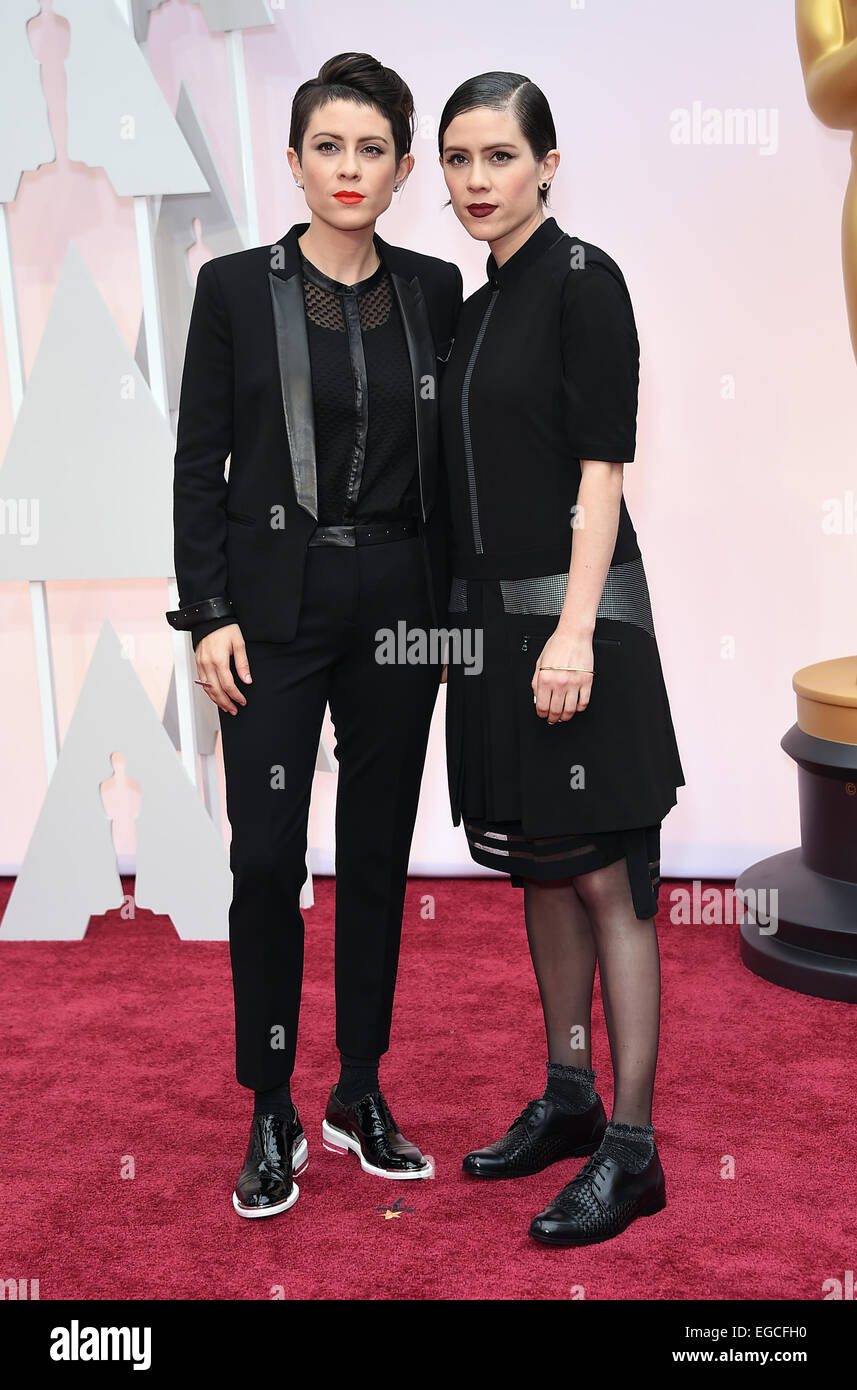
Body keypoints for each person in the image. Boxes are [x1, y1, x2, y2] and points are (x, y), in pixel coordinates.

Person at [167, 52, 462, 1218]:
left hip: (403, 602)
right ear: (292, 162)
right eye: (326, 147)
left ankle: (360, 1091)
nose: (349, 169)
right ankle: (269, 1103)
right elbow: (201, 463)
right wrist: (208, 612)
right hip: (272, 612)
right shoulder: (234, 288)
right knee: (263, 863)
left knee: (378, 858)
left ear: (401, 167)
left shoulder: (438, 290)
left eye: (372, 148)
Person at [437, 72, 685, 1246]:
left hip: (579, 627)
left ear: (546, 163)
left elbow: (600, 475)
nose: (475, 182)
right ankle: (572, 1097)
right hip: (495, 635)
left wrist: (574, 630)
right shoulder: (474, 304)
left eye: (497, 157)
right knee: (541, 867)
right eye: (457, 160)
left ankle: (632, 1151)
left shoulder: (586, 284)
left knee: (605, 879)